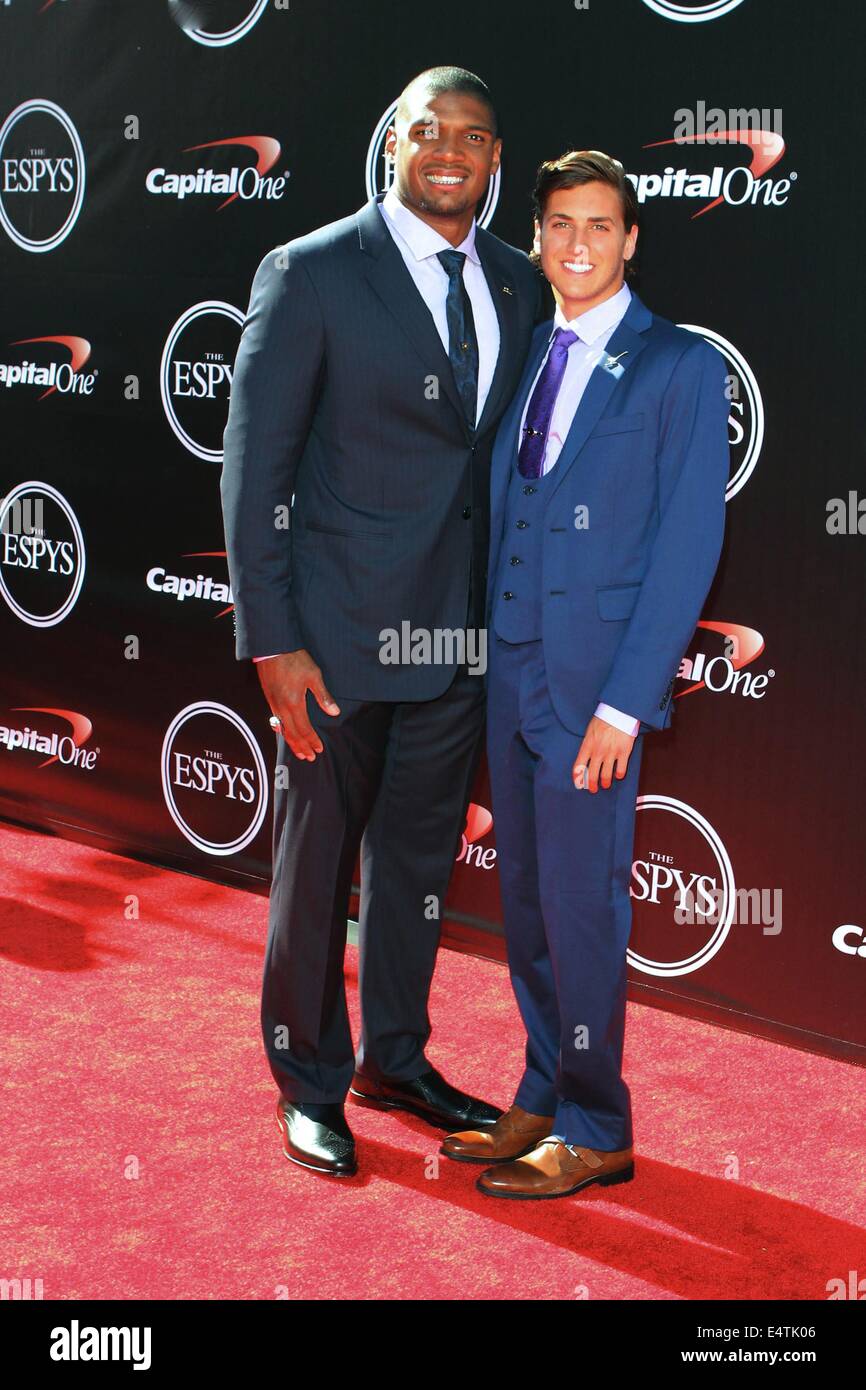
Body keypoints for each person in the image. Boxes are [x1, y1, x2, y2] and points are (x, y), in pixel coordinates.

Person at [220, 67, 543, 1177]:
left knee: (414, 866)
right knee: (316, 871)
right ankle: (308, 1079)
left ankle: (393, 1059)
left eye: (470, 135)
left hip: (457, 642)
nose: (447, 149)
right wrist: (271, 636)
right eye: (427, 130)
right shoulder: (308, 272)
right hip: (337, 640)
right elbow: (253, 467)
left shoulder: (516, 283)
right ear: (393, 143)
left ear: (495, 158)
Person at [441, 150, 729, 1199]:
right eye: (558, 224)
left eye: (598, 226)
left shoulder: (679, 367)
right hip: (509, 674)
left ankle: (596, 1120)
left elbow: (686, 543)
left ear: (631, 238)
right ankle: (539, 1086)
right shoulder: (525, 348)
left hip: (590, 693)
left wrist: (622, 702)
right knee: (523, 902)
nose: (575, 245)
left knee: (581, 907)